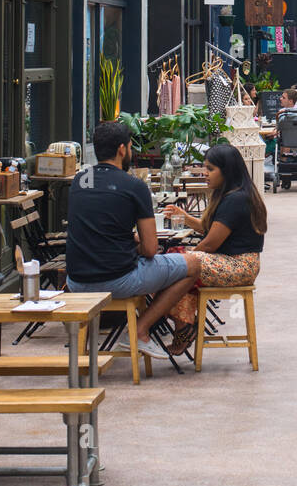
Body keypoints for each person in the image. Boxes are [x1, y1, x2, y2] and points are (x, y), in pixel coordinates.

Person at [65, 120, 200, 355]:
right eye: (129, 146)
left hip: (76, 281)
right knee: (194, 265)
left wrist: (126, 241)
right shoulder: (134, 186)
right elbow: (150, 249)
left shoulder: (80, 180)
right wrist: (134, 245)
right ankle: (139, 330)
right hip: (117, 280)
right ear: (121, 149)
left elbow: (96, 228)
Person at [157, 145, 267, 356]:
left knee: (171, 264)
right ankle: (184, 326)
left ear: (227, 171)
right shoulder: (233, 195)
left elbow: (209, 244)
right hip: (232, 262)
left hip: (238, 265)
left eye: (210, 169)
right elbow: (210, 229)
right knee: (174, 264)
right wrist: (185, 217)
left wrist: (188, 257)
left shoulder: (235, 200)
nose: (205, 173)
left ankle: (182, 327)